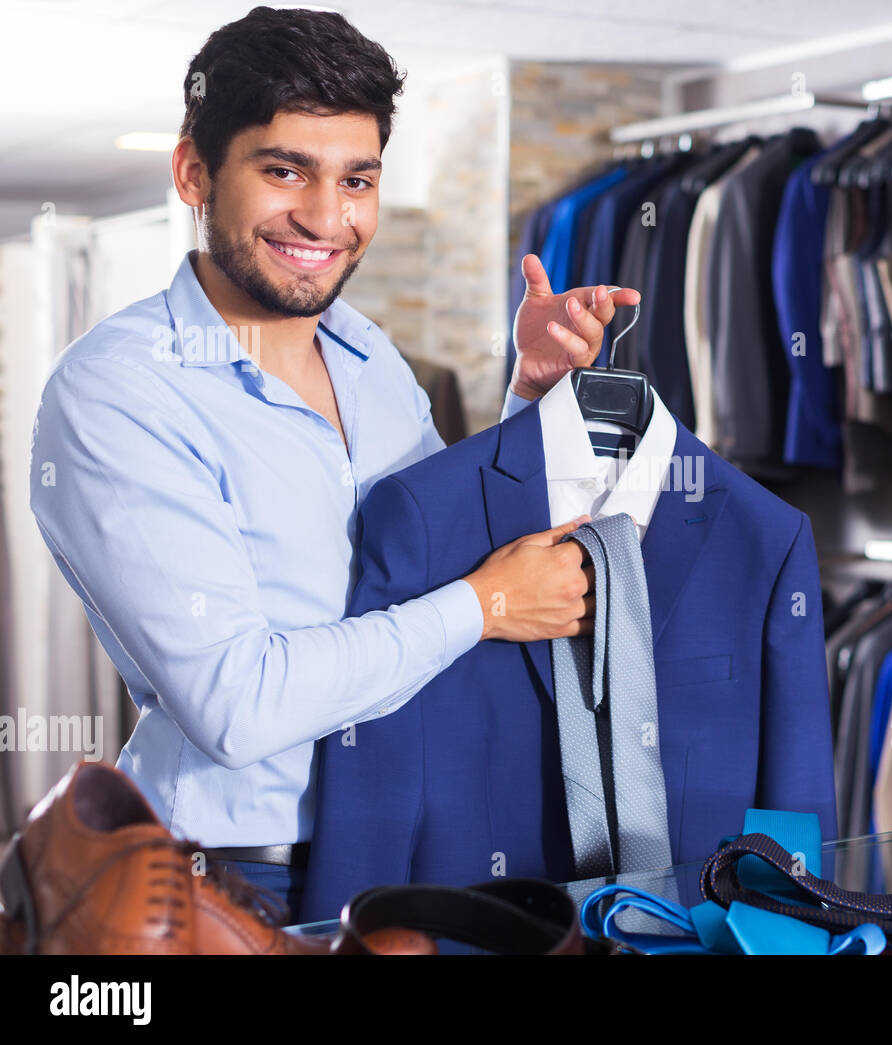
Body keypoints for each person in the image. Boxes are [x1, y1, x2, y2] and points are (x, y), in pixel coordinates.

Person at [27, 6, 639, 921]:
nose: (325, 216)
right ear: (194, 170)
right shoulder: (118, 393)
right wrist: (486, 607)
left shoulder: (367, 353)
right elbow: (239, 703)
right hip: (246, 875)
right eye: (285, 171)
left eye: (357, 179)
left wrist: (531, 395)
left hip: (416, 837)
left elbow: (439, 545)